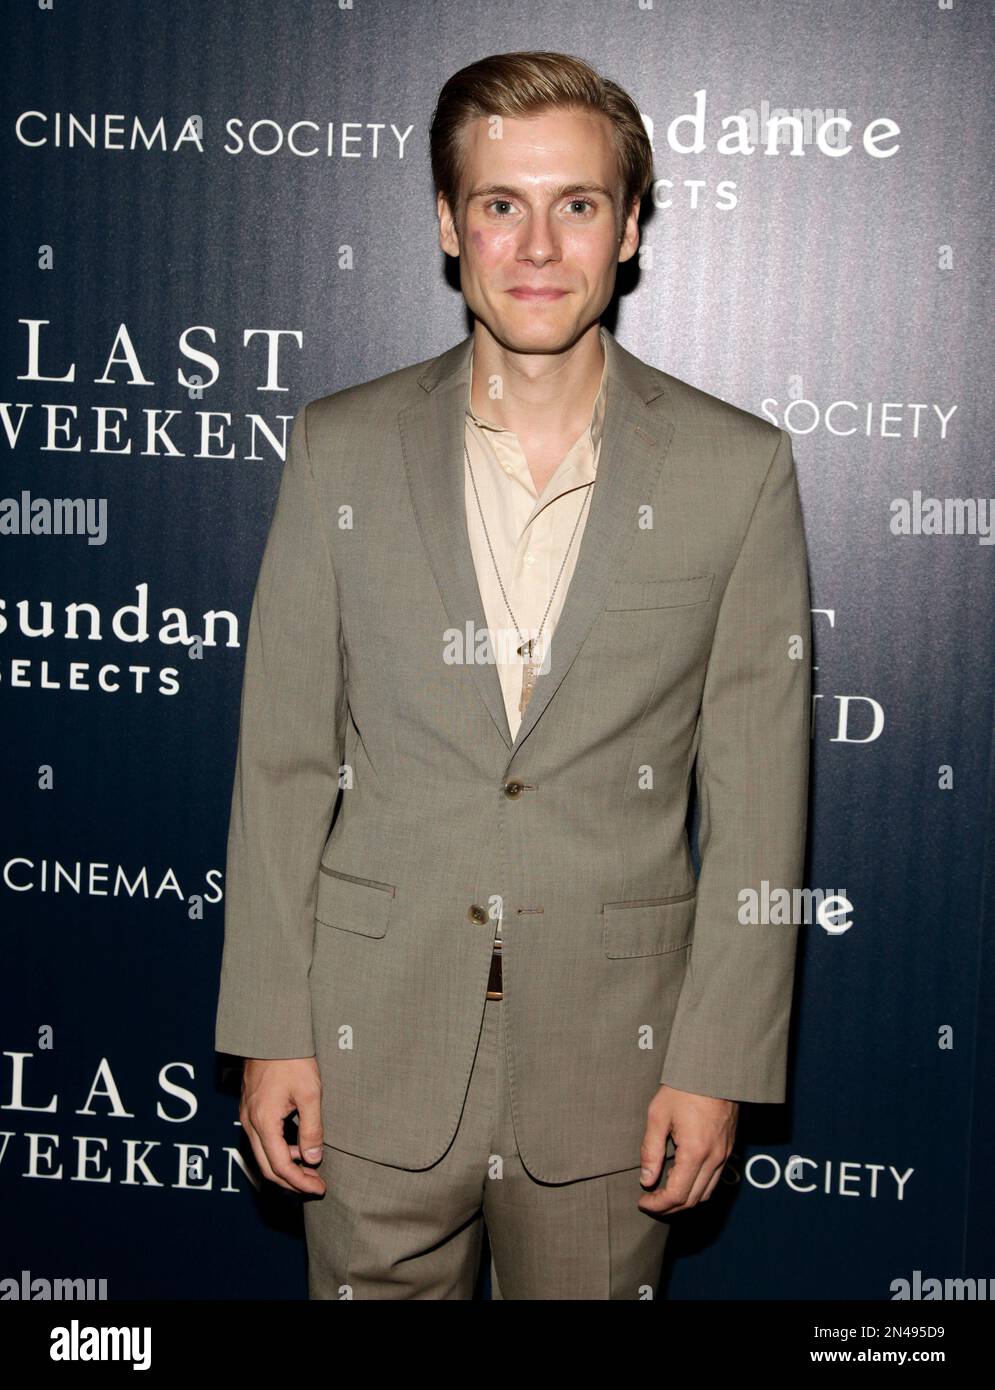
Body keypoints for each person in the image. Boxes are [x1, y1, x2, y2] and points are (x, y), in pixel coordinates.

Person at [214, 49, 812, 1300]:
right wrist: (271, 1030)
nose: (536, 245)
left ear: (629, 225)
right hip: (364, 1050)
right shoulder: (338, 449)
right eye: (499, 203)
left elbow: (757, 810)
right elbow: (278, 766)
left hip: (616, 1066)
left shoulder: (735, 469)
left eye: (577, 204)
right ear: (447, 223)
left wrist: (712, 1060)